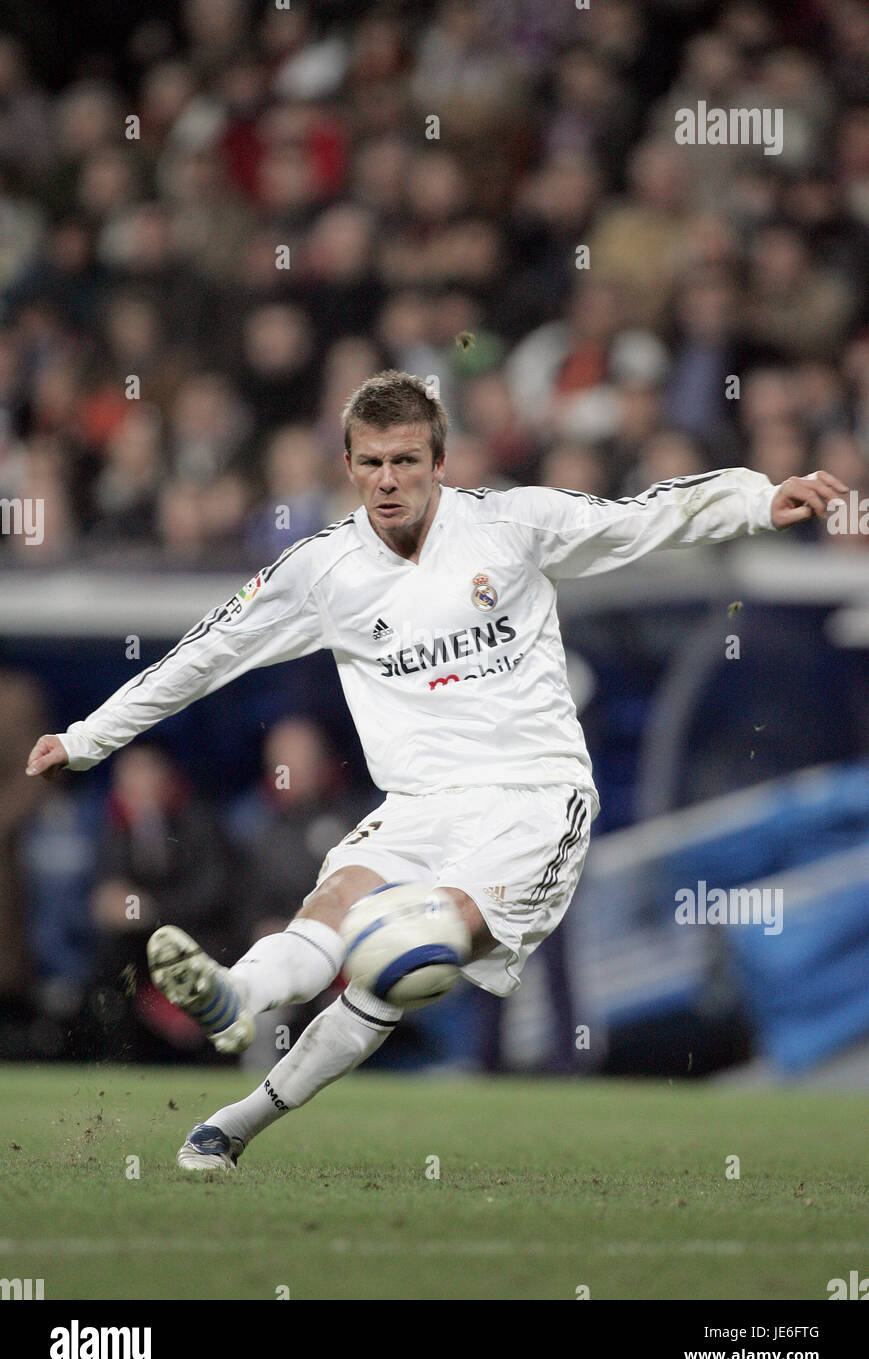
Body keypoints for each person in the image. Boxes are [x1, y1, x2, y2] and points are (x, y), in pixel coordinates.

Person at [25, 369, 847, 1171]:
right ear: (346, 466)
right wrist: (89, 736)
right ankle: (234, 1013)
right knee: (334, 906)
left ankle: (246, 1097)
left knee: (407, 948)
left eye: (406, 461)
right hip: (419, 804)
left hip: (534, 801)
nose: (389, 481)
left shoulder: (511, 524)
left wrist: (754, 498)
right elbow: (205, 653)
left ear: (439, 463)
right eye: (372, 463)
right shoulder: (320, 570)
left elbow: (641, 516)